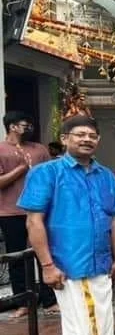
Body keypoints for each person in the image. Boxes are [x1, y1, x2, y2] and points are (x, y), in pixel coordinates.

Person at [18, 116, 115, 335]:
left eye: (92, 135)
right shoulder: (47, 173)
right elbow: (33, 222)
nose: (87, 139)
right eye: (80, 134)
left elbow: (113, 220)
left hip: (101, 265)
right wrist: (48, 266)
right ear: (65, 139)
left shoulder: (105, 176)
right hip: (68, 267)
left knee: (101, 334)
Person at [0, 111, 55, 316]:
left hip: (39, 210)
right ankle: (23, 302)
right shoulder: (1, 149)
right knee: (17, 257)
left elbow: (51, 177)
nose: (28, 128)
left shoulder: (39, 149)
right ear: (13, 126)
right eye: (25, 124)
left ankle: (49, 300)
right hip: (10, 211)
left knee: (45, 254)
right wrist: (21, 169)